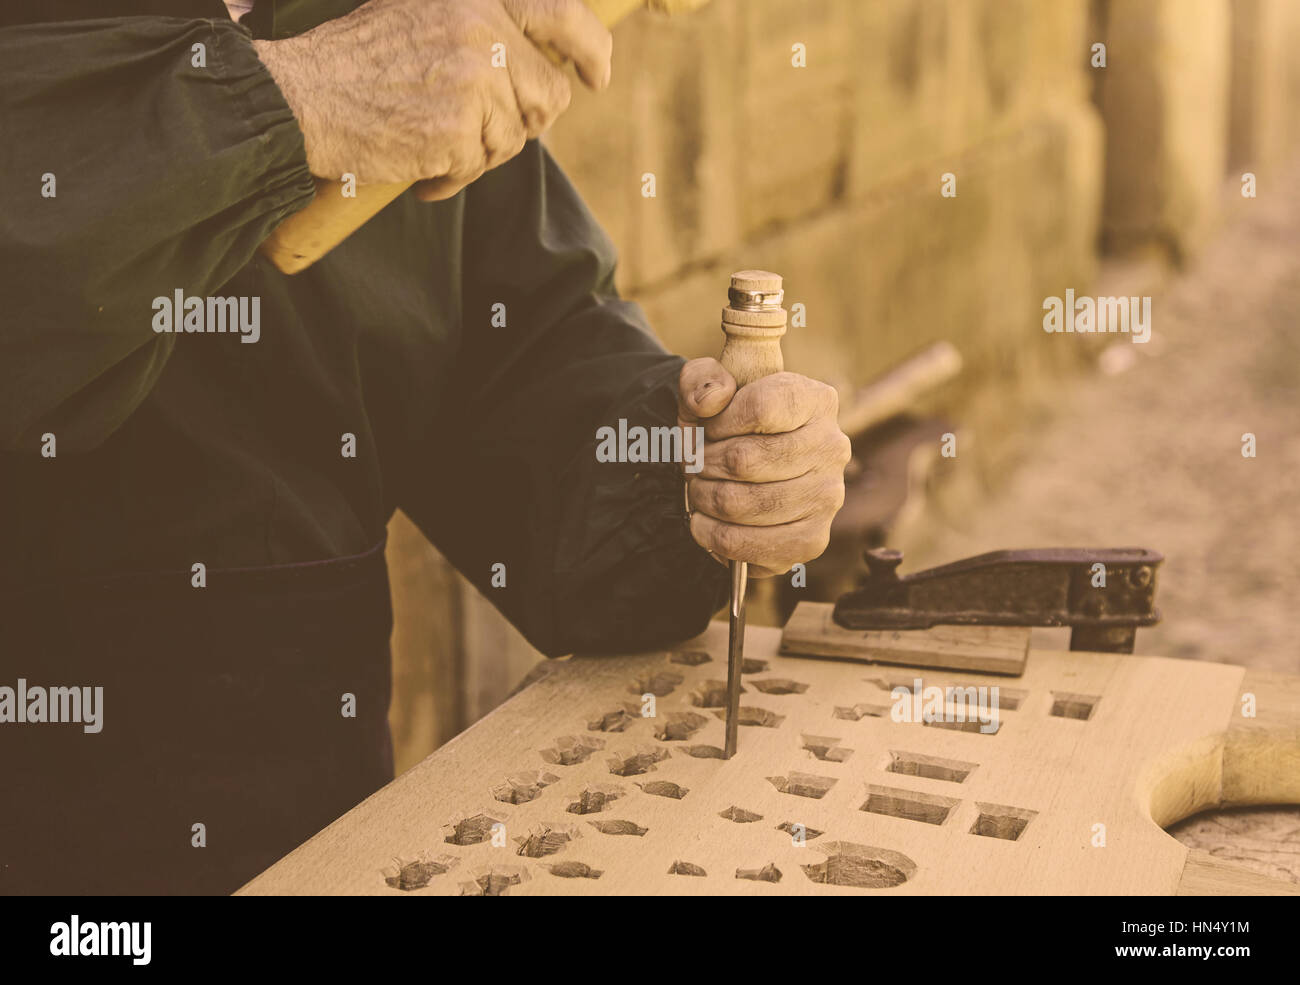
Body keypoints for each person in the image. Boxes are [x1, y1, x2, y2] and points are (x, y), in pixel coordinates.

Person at [0, 0, 850, 894]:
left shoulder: (396, 20)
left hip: (308, 830)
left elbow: (516, 362)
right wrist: (288, 103)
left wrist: (697, 470)